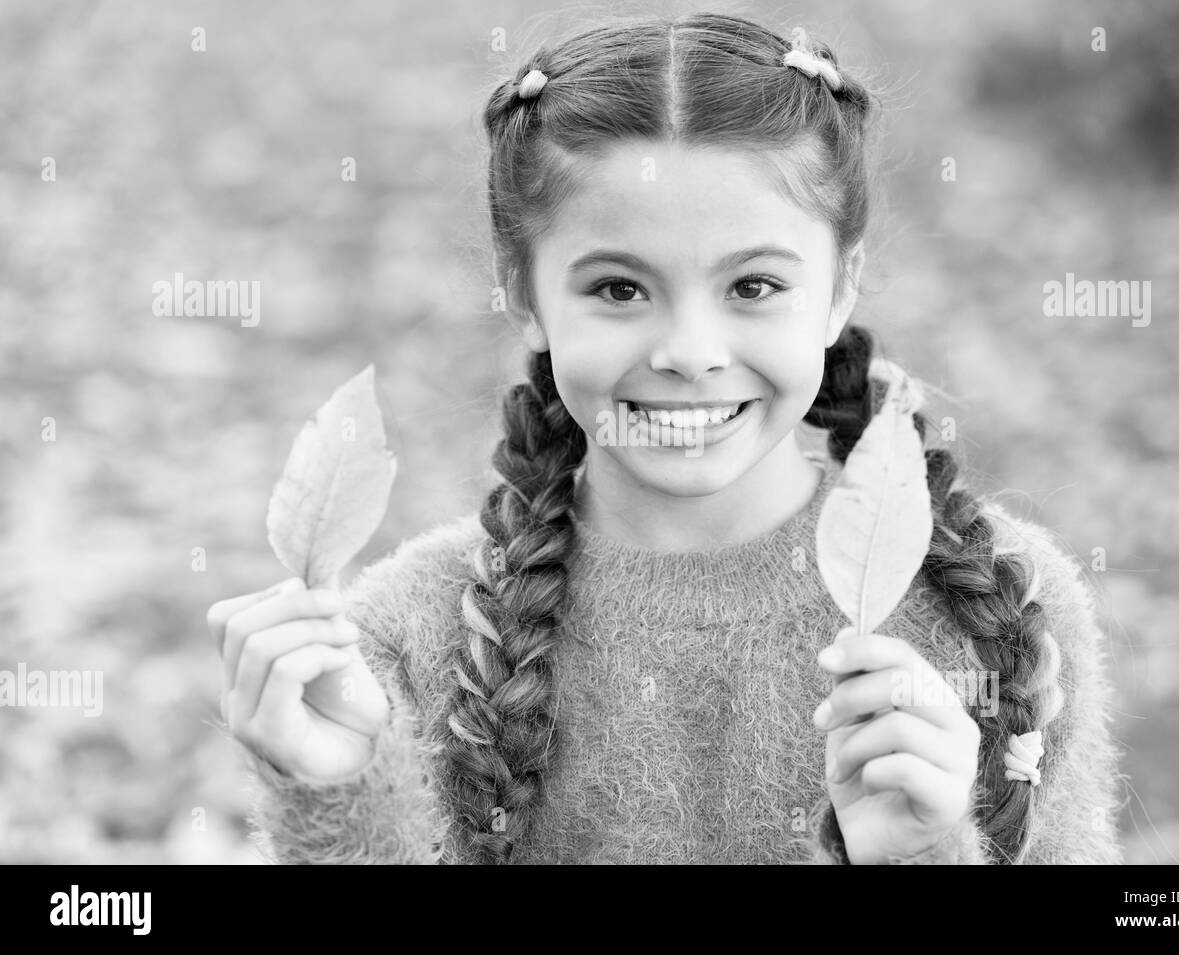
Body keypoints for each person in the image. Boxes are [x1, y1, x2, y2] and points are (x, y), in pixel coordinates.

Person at [207, 12, 1124, 865]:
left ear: (841, 288)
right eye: (619, 288)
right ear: (523, 291)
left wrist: (922, 852)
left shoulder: (1004, 617)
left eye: (754, 286)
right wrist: (338, 793)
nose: (690, 353)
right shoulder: (406, 640)